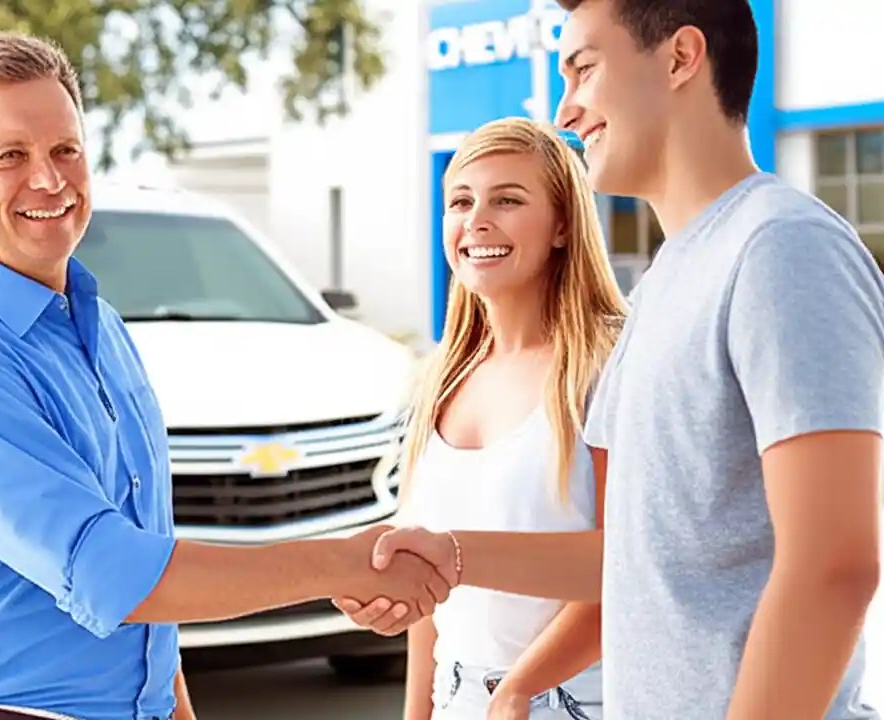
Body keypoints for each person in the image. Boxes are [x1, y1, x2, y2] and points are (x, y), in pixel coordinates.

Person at [0, 31, 456, 720]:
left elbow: (148, 552)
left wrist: (173, 706)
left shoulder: (97, 325)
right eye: (9, 157)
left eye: (64, 150)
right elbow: (114, 573)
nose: (48, 180)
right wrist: (347, 563)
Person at [343, 1, 884, 718]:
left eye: (584, 70)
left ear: (681, 58)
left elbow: (835, 566)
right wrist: (450, 553)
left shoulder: (781, 247)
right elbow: (630, 560)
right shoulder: (664, 287)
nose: (566, 110)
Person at [337, 117, 625, 720]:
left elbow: (631, 567)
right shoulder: (441, 376)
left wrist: (519, 688)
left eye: (508, 200)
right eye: (461, 201)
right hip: (460, 700)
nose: (477, 221)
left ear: (563, 225)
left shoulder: (609, 365)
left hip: (575, 701)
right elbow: (428, 597)